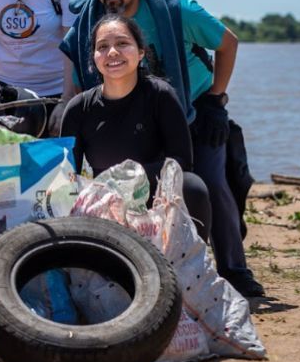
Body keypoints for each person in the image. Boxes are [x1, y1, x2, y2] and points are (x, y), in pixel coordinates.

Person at [60, 0, 265, 298]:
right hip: (136, 109)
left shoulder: (174, 7)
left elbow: (228, 42)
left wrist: (215, 100)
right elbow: (75, 61)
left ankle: (234, 269)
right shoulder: (92, 18)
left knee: (209, 182)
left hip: (193, 105)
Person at [60, 14, 213, 240]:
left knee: (193, 187)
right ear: (94, 58)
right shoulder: (78, 108)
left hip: (152, 197)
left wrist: (129, 181)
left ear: (140, 52)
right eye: (102, 46)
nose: (112, 52)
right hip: (102, 203)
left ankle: (190, 264)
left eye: (122, 43)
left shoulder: (160, 95)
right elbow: (67, 174)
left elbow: (181, 161)